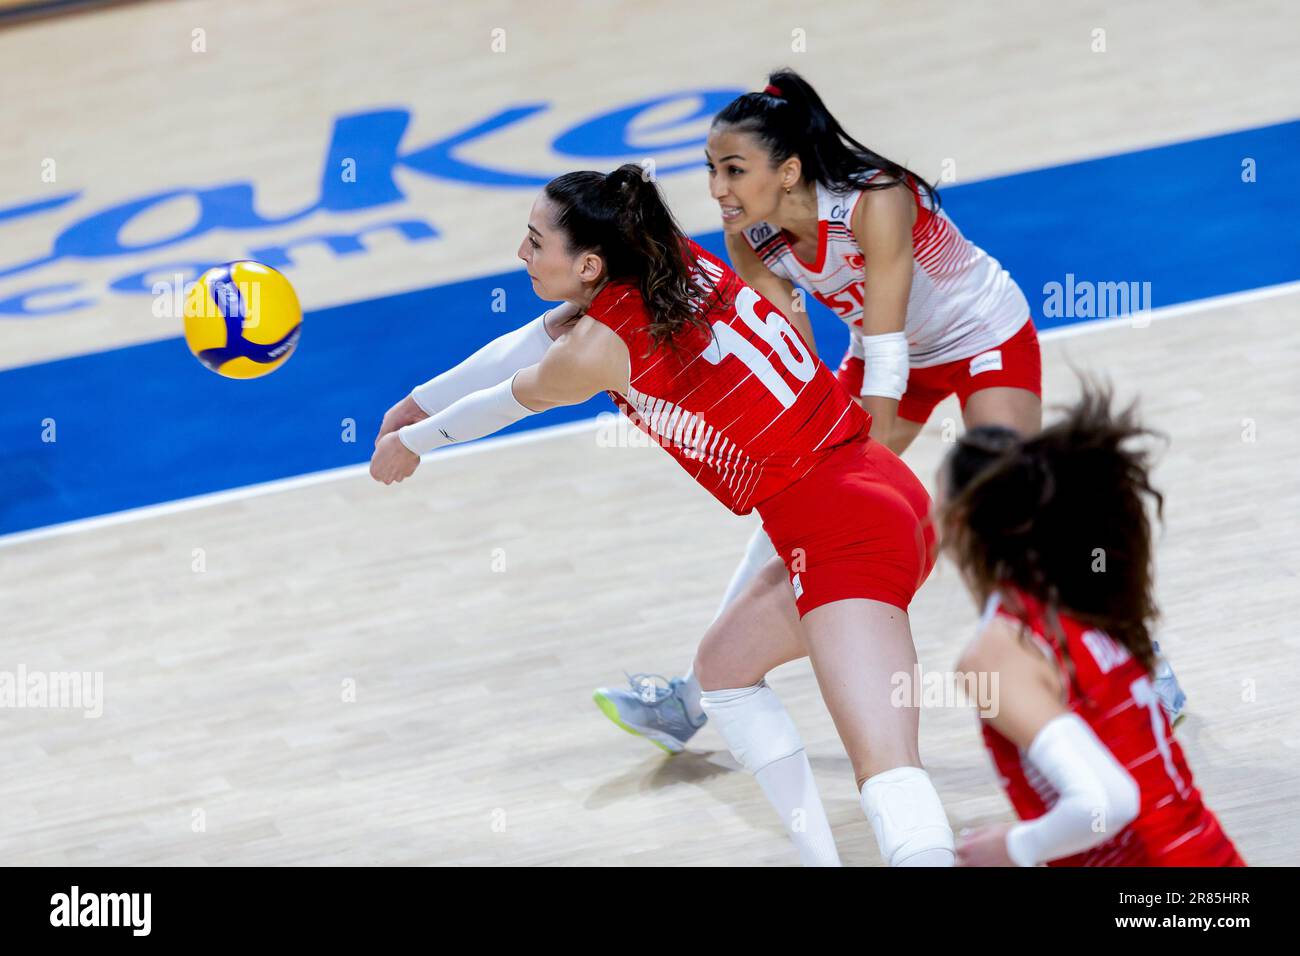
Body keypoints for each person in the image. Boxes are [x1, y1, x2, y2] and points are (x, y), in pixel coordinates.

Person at [371, 164, 954, 866]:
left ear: (588, 263)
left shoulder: (594, 349)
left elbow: (507, 398)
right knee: (724, 670)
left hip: (844, 531)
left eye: (534, 242)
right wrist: (418, 402)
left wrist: (410, 444)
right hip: (876, 487)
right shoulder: (662, 256)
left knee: (888, 770)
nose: (521, 255)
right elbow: (536, 336)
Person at [594, 68, 1184, 749]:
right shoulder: (749, 238)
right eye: (710, 171)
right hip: (884, 358)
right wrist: (811, 467)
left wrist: (856, 462)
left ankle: (1144, 670)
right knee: (794, 499)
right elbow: (795, 364)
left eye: (733, 170)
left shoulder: (877, 199)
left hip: (978, 337)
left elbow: (889, 344)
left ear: (787, 171)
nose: (717, 191)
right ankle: (689, 702)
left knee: (1013, 510)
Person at [939, 387, 1243, 866]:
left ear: (956, 523)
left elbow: (1107, 802)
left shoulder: (1000, 652)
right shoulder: (1090, 599)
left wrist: (1013, 847)